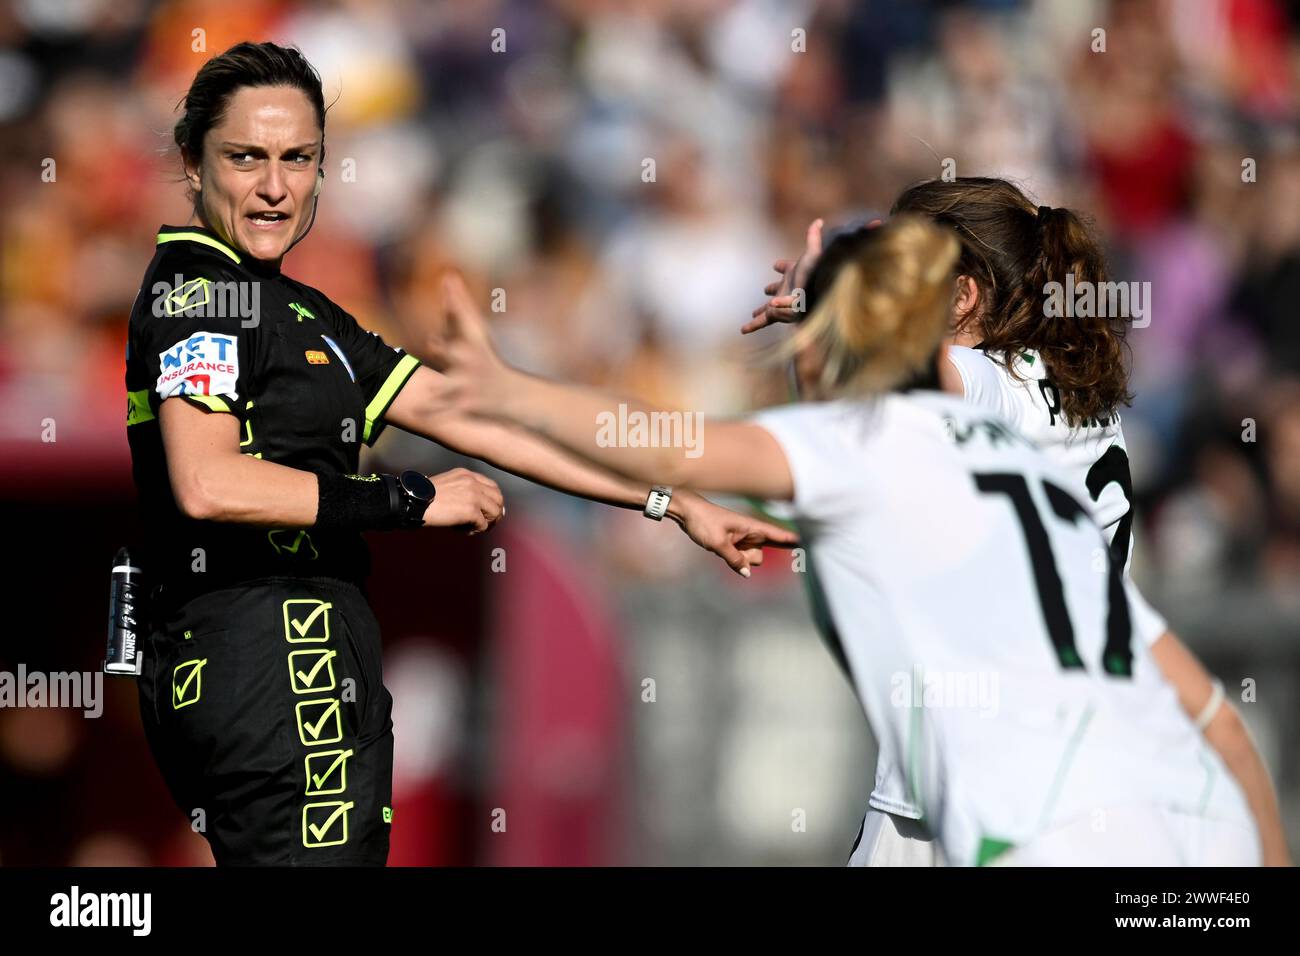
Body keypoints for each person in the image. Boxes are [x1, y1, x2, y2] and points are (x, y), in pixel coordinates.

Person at [125, 41, 794, 866]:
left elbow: (464, 413)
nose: (275, 186)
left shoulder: (297, 309)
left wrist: (666, 499)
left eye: (298, 158)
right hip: (261, 662)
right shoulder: (202, 292)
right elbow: (207, 480)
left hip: (312, 661)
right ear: (192, 163)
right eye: (246, 158)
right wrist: (407, 500)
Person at [426, 215, 1261, 866]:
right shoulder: (1034, 490)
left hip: (996, 821)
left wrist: (513, 391)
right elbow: (1220, 724)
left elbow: (668, 439)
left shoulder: (892, 437)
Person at [747, 177, 1289, 866]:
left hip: (964, 785)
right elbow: (851, 426)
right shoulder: (1070, 398)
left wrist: (830, 295)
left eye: (899, 266)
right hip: (1080, 766)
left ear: (963, 295)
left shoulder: (989, 379)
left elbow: (907, 383)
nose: (881, 284)